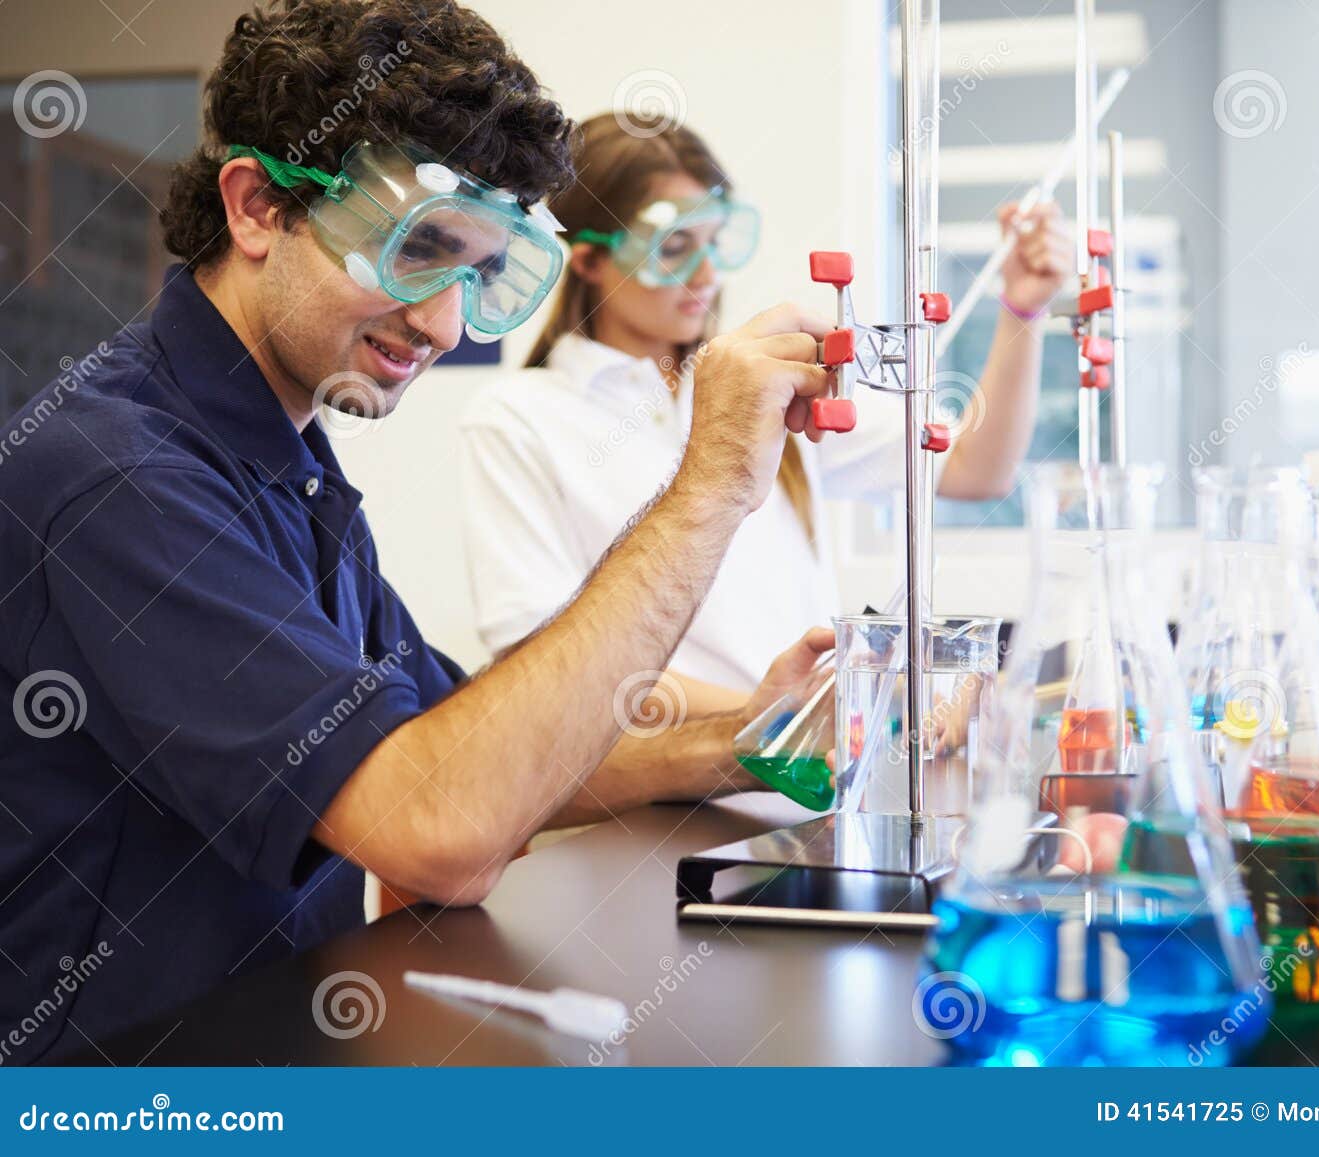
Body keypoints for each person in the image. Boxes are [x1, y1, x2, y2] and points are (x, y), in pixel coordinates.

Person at [0, 0, 836, 1064]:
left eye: (481, 276)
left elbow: (478, 745)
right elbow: (441, 825)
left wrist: (747, 736)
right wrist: (712, 484)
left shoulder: (286, 465)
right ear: (258, 206)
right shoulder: (117, 477)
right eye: (417, 250)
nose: (443, 324)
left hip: (289, 1040)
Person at [460, 116, 1072, 709]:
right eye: (672, 248)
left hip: (808, 782)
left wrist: (1022, 312)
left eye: (713, 243)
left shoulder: (760, 387)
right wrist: (773, 719)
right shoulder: (520, 420)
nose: (705, 275)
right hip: (672, 799)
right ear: (589, 259)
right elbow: (534, 664)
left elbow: (973, 467)